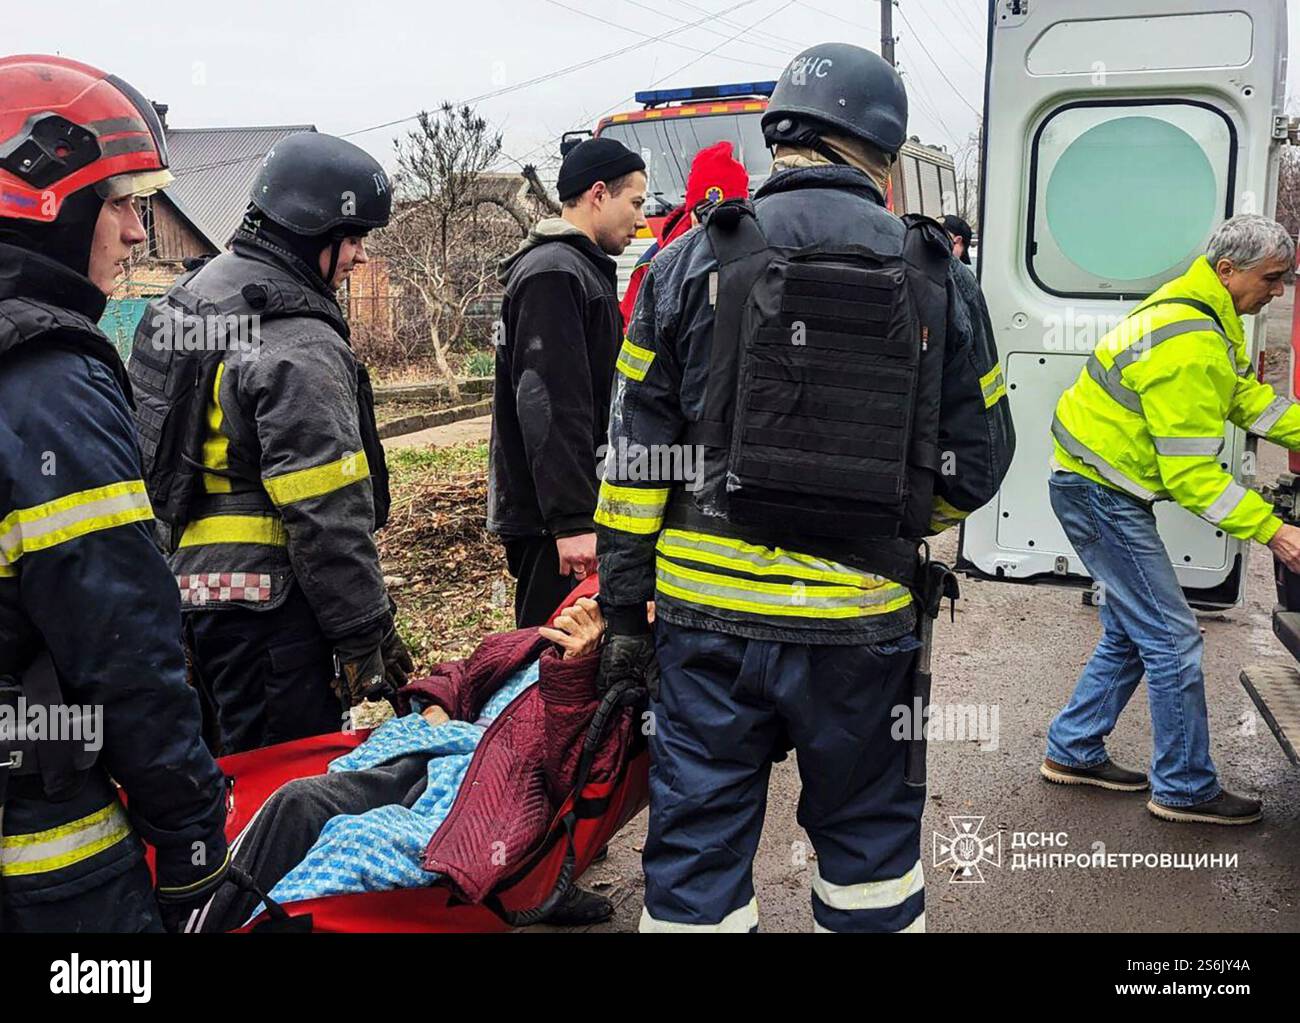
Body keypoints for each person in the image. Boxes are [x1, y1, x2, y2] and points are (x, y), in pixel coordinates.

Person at [595, 42, 1014, 932]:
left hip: (705, 633)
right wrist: (893, 520)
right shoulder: (943, 276)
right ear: (882, 153)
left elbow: (633, 463)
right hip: (861, 628)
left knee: (697, 855)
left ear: (777, 135)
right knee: (868, 855)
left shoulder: (681, 264)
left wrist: (628, 618)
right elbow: (977, 466)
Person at [0, 55, 229, 932]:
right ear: (47, 202)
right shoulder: (45, 379)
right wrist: (191, 833)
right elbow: (123, 635)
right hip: (46, 842)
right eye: (125, 202)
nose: (140, 232)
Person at [129, 132, 412, 755]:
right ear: (317, 233)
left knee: (223, 776)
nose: (360, 259)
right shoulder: (298, 343)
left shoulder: (190, 301)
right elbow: (325, 510)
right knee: (280, 785)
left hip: (186, 604)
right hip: (271, 614)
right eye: (354, 239)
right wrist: (365, 631)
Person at [1043, 214, 1299, 825]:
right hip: (1099, 495)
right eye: (1273, 278)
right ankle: (1184, 787)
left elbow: (1242, 400)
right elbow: (1192, 478)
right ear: (1228, 270)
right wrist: (1277, 532)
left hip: (1093, 485)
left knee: (1137, 631)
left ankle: (1074, 748)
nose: (1280, 291)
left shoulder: (1205, 314)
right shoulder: (1189, 339)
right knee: (1173, 638)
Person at [196, 597, 634, 931]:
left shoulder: (613, 690)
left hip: (492, 795)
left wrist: (576, 670)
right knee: (299, 798)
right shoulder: (527, 642)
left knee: (361, 841)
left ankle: (267, 924)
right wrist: (436, 704)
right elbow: (458, 673)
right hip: (430, 750)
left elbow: (572, 775)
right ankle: (210, 920)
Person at [490, 137, 647, 627]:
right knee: (553, 672)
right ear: (599, 194)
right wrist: (573, 522)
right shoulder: (554, 273)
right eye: (636, 202)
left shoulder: (576, 269)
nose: (641, 220)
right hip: (557, 532)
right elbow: (549, 404)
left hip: (564, 520)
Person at [619, 140, 750, 325]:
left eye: (726, 214)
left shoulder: (765, 254)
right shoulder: (653, 264)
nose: (713, 224)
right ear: (690, 212)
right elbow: (631, 331)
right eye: (704, 213)